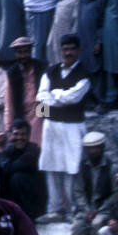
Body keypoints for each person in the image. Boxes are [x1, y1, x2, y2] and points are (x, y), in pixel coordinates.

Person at [36, 34, 92, 221]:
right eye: (65, 49)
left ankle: (71, 210)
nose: (68, 52)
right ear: (60, 51)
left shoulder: (84, 74)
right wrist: (53, 104)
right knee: (51, 167)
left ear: (78, 51)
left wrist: (55, 95)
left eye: (72, 49)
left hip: (73, 126)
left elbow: (74, 98)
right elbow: (41, 98)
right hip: (50, 125)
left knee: (71, 167)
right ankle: (54, 209)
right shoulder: (50, 72)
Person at [70, 130, 115, 235]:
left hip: (104, 210)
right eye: (90, 149)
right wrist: (87, 210)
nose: (93, 152)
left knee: (97, 223)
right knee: (77, 226)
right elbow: (78, 192)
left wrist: (99, 210)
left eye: (96, 148)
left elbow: (115, 194)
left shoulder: (112, 167)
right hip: (86, 209)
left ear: (102, 148)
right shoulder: (82, 167)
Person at [0, 119, 45, 219]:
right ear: (10, 136)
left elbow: (9, 169)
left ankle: (25, 216)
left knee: (17, 177)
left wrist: (1, 150)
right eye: (16, 134)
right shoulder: (10, 149)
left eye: (23, 134)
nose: (19, 138)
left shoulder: (33, 150)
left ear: (29, 136)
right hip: (14, 198)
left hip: (32, 200)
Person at [4, 36, 46, 146]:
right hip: (22, 114)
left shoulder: (41, 67)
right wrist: (9, 126)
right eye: (20, 52)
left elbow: (47, 95)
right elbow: (9, 101)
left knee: (40, 144)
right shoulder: (12, 72)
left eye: (26, 52)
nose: (23, 56)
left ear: (31, 51)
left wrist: (45, 118)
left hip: (39, 113)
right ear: (15, 54)